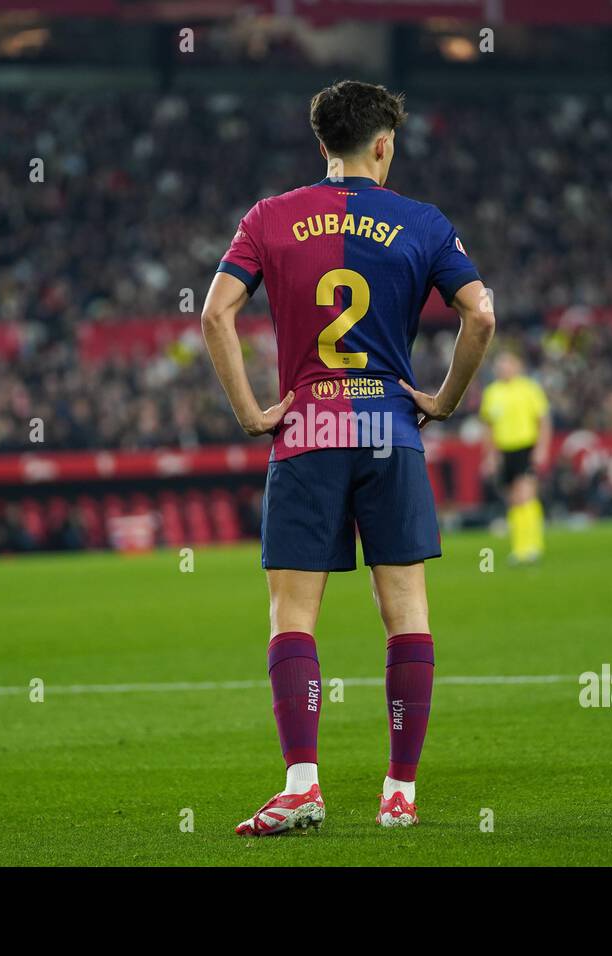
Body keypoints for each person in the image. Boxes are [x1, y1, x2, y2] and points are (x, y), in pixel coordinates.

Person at [201, 80, 494, 834]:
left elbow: (214, 313)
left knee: (292, 614)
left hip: (304, 434)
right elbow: (481, 314)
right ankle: (400, 792)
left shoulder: (268, 218)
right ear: (384, 145)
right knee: (406, 613)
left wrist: (248, 412)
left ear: (321, 145)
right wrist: (444, 399)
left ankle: (302, 785)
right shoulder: (423, 223)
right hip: (391, 432)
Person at [479, 350, 551, 561]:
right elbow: (488, 427)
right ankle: (520, 546)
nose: (503, 369)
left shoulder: (529, 389)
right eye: (500, 366)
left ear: (517, 366)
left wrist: (541, 448)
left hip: (525, 447)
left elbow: (543, 420)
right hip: (504, 451)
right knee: (513, 499)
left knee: (525, 494)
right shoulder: (492, 392)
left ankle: (532, 545)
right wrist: (490, 455)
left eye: (507, 364)